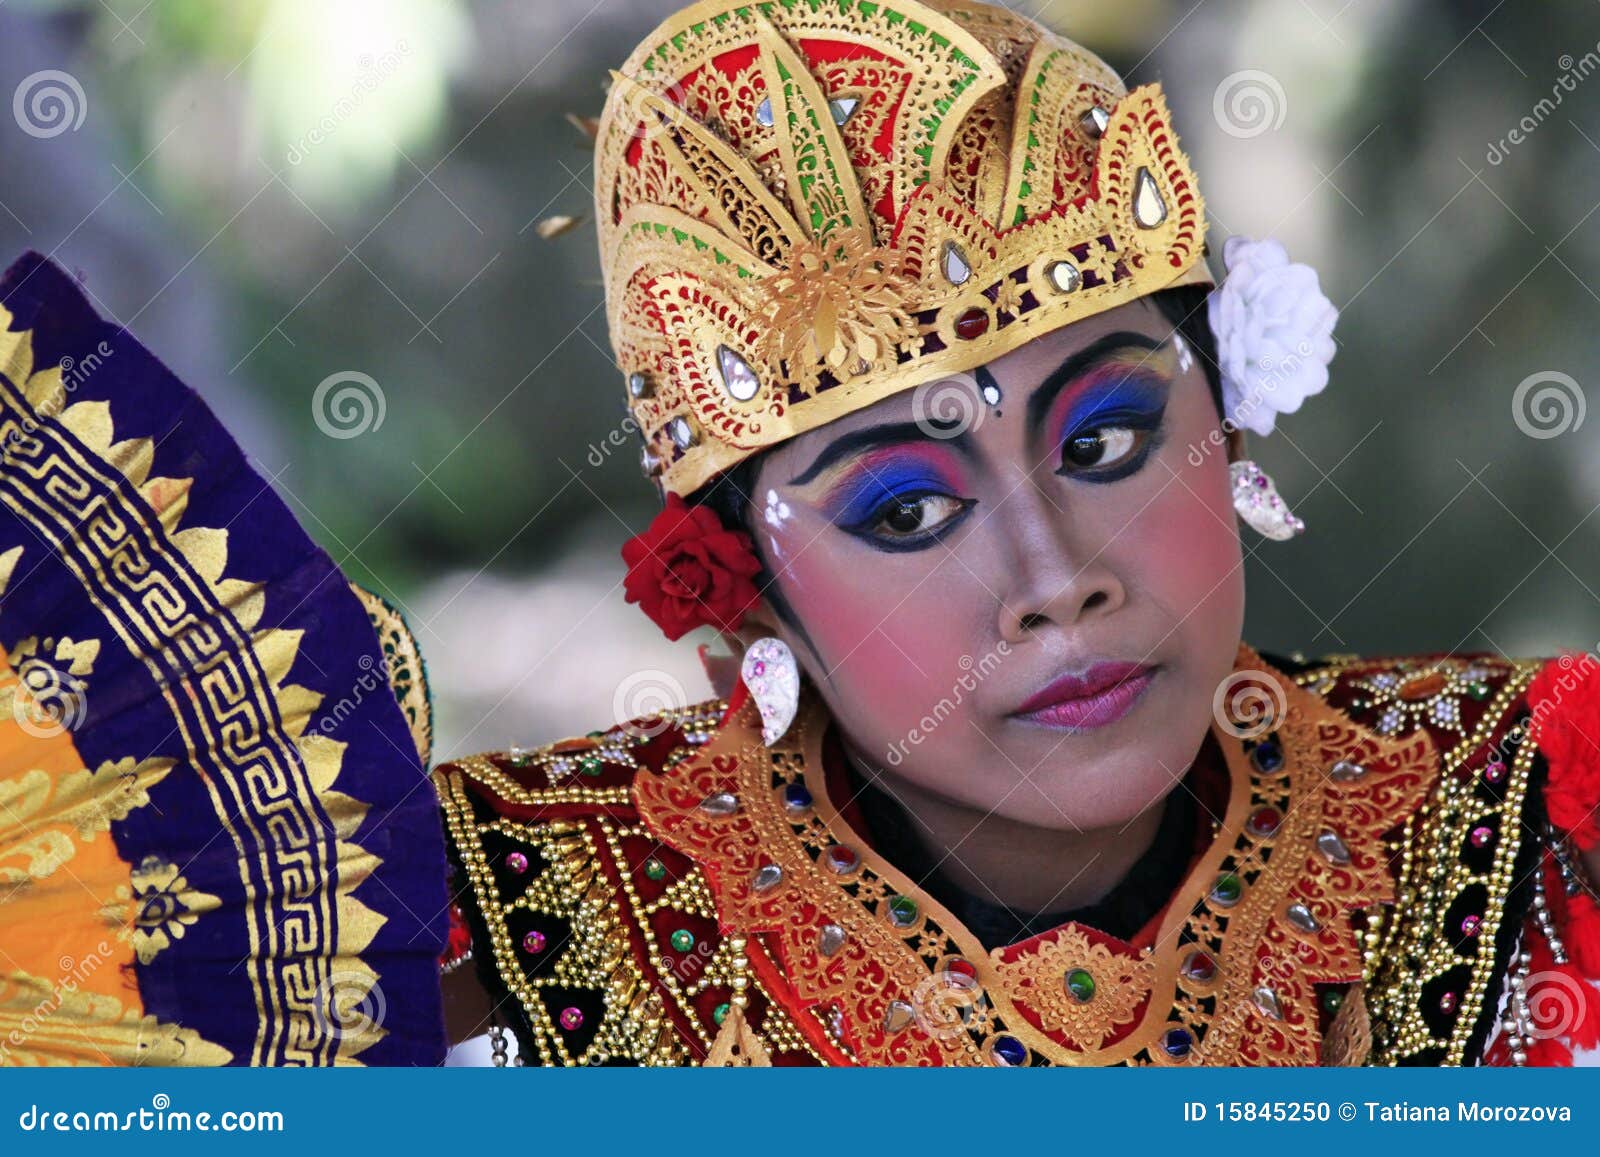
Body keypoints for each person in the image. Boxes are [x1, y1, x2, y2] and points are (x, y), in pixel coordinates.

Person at [3, 0, 1598, 1070]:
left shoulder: (1531, 807)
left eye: (1108, 438)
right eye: (904, 509)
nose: (1059, 580)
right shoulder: (480, 931)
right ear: (743, 588)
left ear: (1231, 428)